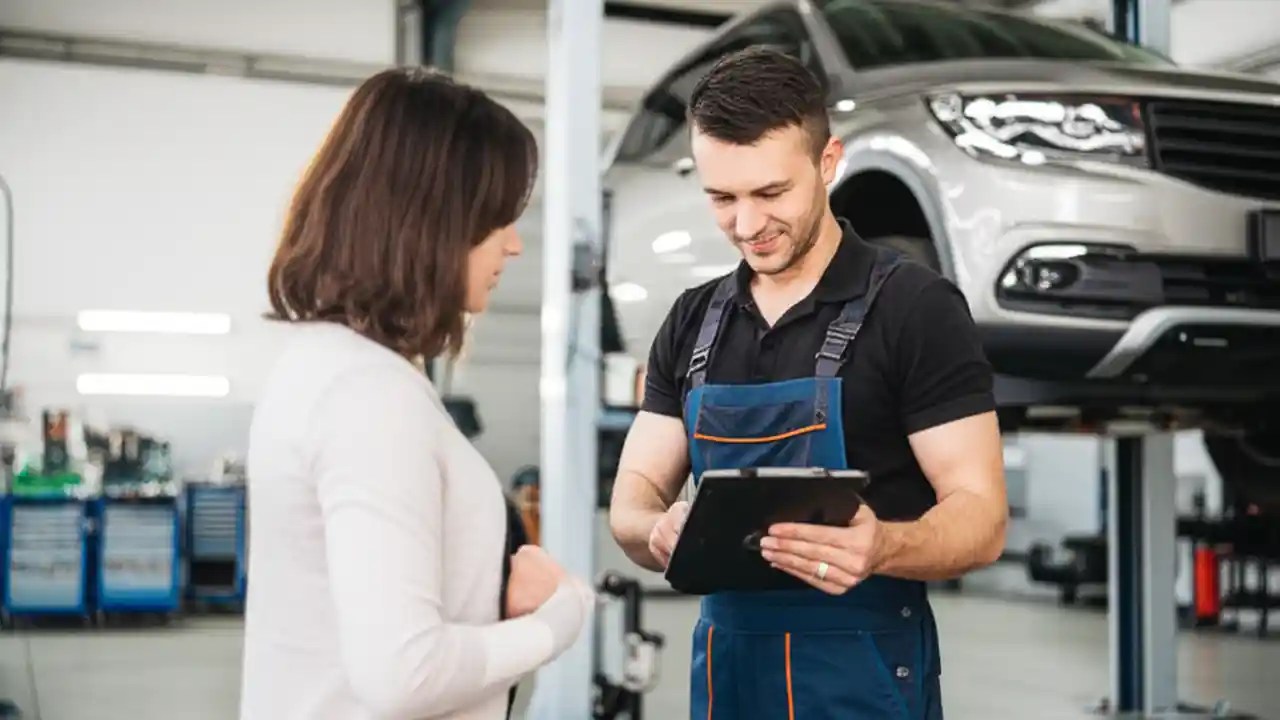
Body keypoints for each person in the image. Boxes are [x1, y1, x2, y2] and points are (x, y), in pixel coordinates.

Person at [609, 47, 1007, 719]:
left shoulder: (916, 309)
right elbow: (631, 501)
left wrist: (885, 545)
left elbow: (983, 517)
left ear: (828, 164)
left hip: (865, 678)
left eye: (770, 193)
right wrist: (657, 530)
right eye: (722, 198)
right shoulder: (692, 322)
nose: (747, 225)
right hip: (728, 681)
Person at [240, 68, 595, 720]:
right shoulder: (368, 397)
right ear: (431, 222)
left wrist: (491, 599)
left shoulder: (328, 368)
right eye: (497, 221)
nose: (514, 245)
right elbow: (403, 673)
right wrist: (562, 618)